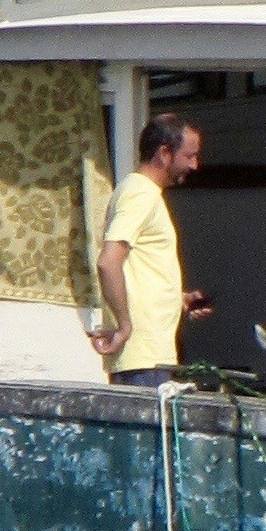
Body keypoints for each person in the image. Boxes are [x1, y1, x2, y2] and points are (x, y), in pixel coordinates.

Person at [92, 114, 211, 386]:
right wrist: (124, 325)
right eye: (189, 155)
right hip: (144, 358)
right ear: (165, 154)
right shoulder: (140, 194)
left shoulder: (142, 193)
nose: (194, 165)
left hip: (149, 355)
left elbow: (139, 268)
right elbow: (108, 263)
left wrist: (176, 299)